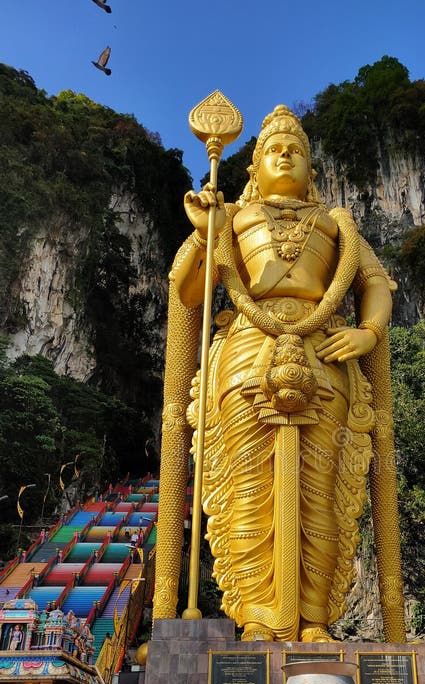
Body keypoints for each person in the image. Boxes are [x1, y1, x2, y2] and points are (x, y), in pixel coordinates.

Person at [158, 105, 404, 642]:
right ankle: (258, 620)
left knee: (321, 488)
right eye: (274, 149)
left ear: (312, 170)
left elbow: (376, 284)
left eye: (296, 150)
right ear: (254, 168)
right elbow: (187, 293)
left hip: (326, 356)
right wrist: (204, 234)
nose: (286, 155)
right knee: (248, 486)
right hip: (247, 354)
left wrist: (369, 332)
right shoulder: (232, 219)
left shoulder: (336, 225)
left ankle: (315, 620)